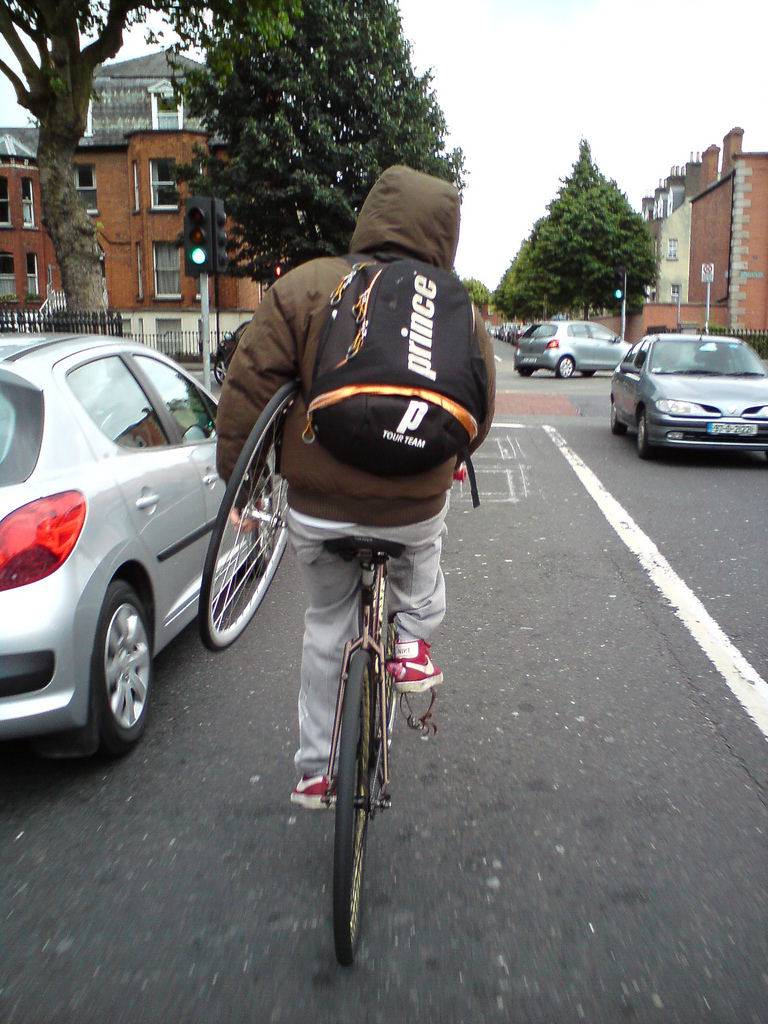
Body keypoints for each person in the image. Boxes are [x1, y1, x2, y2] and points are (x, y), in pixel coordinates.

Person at [215, 165, 496, 808]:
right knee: (422, 557)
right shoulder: (457, 307)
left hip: (318, 506)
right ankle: (411, 641)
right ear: (445, 234)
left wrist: (242, 488)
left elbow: (248, 388)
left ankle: (318, 769)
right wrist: (442, 463)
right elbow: (478, 411)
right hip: (413, 506)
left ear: (372, 215)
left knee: (325, 622)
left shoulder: (308, 284)